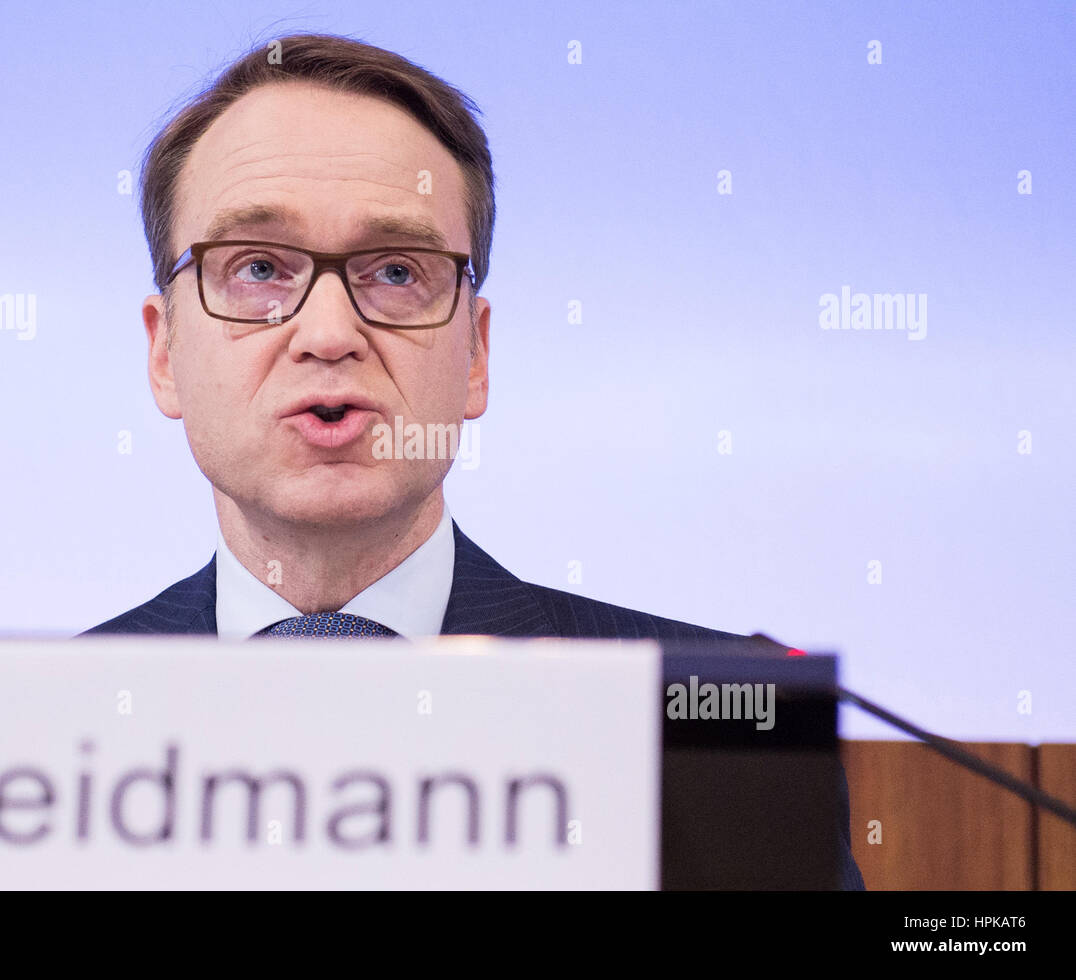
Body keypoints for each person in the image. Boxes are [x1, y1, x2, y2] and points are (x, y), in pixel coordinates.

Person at [81, 33, 864, 889]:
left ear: (477, 355)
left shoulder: (712, 732)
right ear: (166, 355)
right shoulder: (37, 731)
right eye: (259, 267)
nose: (331, 334)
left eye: (395, 272)